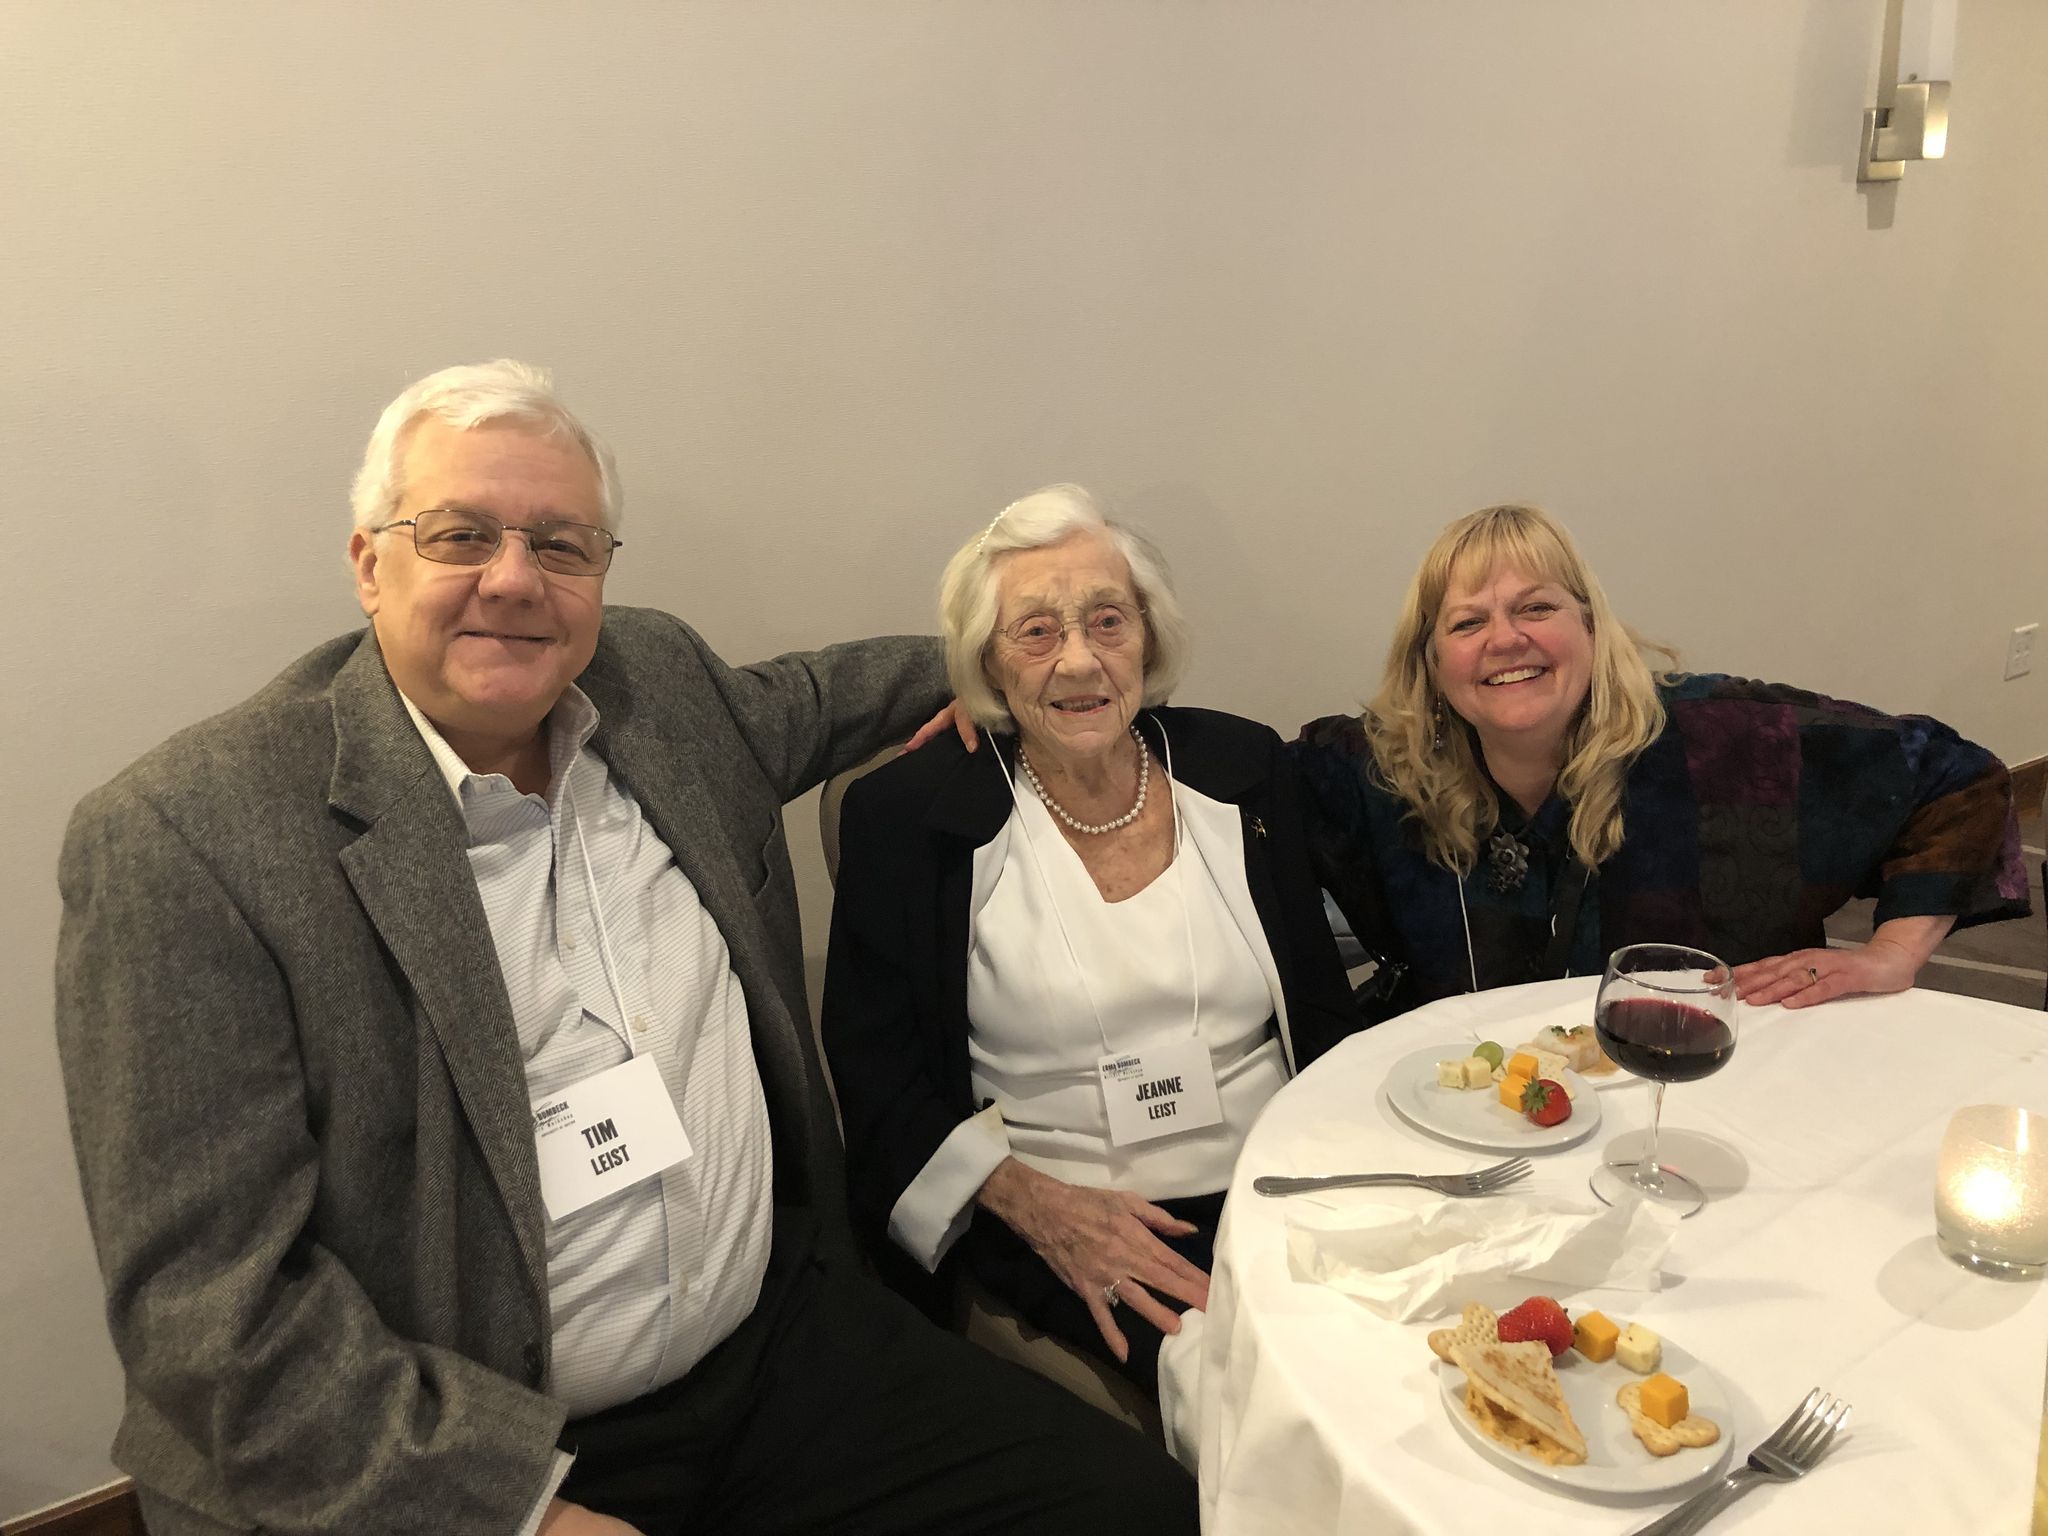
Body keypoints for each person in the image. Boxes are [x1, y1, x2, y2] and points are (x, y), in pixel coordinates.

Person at [55, 365, 1197, 1535]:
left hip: (773, 1354)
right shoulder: (189, 841)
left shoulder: (656, 686)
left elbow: (819, 697)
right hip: (472, 1442)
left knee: (1141, 1514)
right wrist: (523, 1511)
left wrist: (1026, 660)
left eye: (560, 544)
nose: (514, 578)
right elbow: (210, 1320)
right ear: (368, 563)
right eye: (459, 535)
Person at [821, 485, 1354, 1411]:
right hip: (1074, 1220)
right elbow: (878, 1080)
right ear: (987, 660)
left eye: (1108, 621)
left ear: (1148, 636)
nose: (1079, 659)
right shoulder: (909, 818)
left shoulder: (1243, 770)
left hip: (1291, 1185)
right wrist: (1031, 1204)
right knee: (1274, 1402)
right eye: (1035, 632)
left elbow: (1322, 1006)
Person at [1292, 503, 2029, 1016]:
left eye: (1536, 607)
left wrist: (1892, 951)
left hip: (1704, 1083)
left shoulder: (1731, 741)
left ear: (1590, 625)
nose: (1505, 638)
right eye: (1466, 622)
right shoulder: (1378, 771)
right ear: (1429, 661)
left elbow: (1955, 777)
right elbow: (1239, 786)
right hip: (1467, 1101)